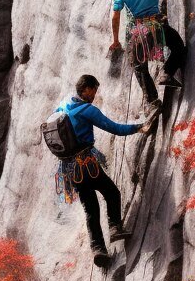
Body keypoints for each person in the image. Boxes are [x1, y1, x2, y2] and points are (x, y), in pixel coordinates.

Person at [54, 74, 154, 269]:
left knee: (90, 208)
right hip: (87, 165)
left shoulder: (63, 106)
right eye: (94, 90)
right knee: (111, 192)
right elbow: (113, 128)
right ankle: (115, 227)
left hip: (69, 169)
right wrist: (139, 127)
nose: (94, 95)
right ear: (86, 89)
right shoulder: (87, 110)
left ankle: (98, 249)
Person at [108, 0, 187, 106]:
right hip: (156, 26)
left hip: (136, 33)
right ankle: (166, 73)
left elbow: (115, 15)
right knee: (178, 46)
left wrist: (115, 40)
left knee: (139, 67)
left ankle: (151, 102)